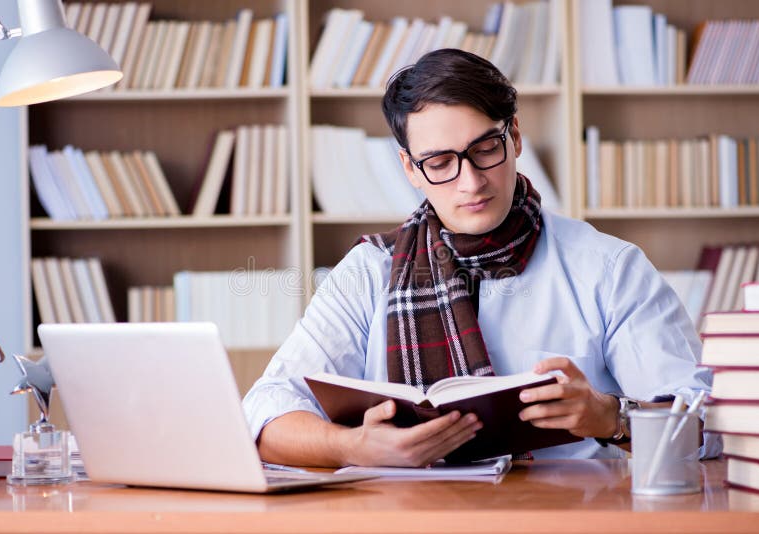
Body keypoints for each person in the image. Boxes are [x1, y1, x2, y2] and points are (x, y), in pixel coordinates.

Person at [242, 49, 719, 467]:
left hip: (571, 517)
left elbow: (710, 425)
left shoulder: (609, 268)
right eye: (440, 163)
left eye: (486, 148)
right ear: (410, 168)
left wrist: (613, 418)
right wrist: (350, 446)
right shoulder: (370, 271)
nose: (470, 183)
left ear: (515, 136)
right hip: (404, 518)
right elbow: (264, 411)